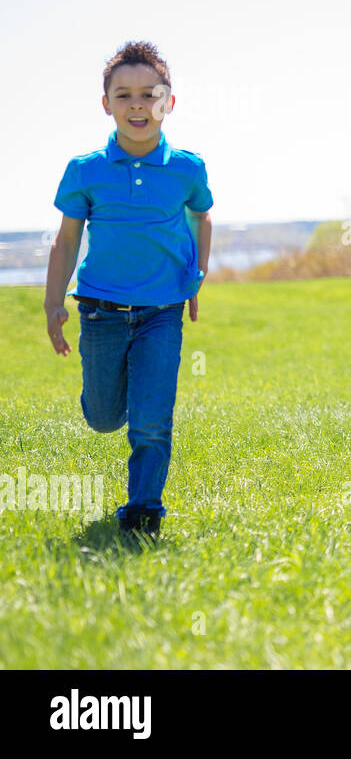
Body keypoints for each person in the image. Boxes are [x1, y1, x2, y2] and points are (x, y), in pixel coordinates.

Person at [44, 41, 213, 539]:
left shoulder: (187, 167)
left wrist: (196, 277)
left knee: (151, 420)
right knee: (102, 417)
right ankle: (105, 401)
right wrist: (54, 303)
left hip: (163, 310)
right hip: (100, 310)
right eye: (124, 95)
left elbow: (202, 216)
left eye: (149, 94)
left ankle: (144, 511)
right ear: (107, 104)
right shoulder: (85, 170)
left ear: (169, 102)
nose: (137, 104)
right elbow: (67, 239)